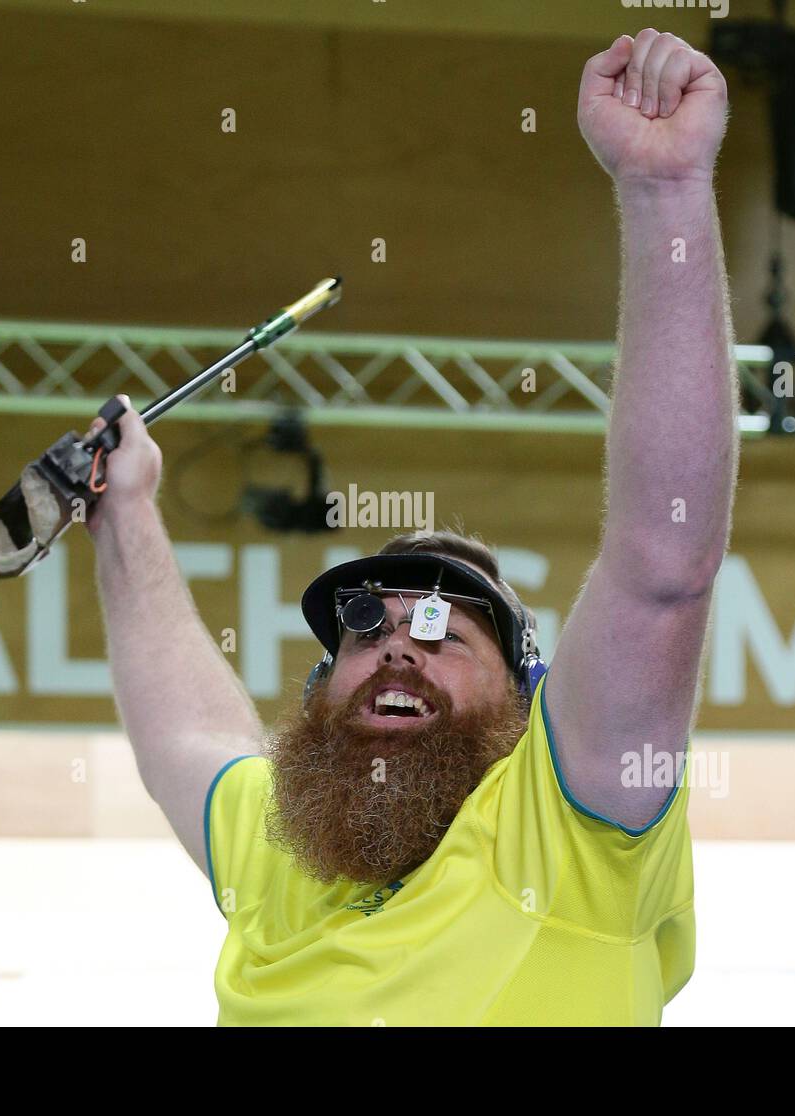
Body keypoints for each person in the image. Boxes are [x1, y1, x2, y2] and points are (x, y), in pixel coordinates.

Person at [87, 28, 737, 1026]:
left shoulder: (570, 831)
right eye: (366, 630)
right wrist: (123, 505)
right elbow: (183, 727)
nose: (395, 647)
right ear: (319, 688)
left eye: (443, 631)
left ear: (527, 710)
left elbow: (664, 563)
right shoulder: (281, 848)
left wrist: (666, 192)